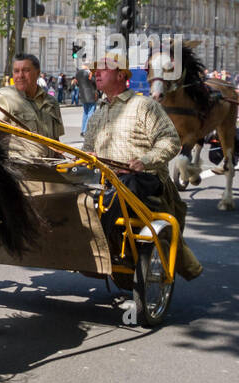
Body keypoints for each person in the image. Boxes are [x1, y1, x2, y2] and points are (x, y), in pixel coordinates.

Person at [83, 52, 204, 280]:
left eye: (103, 69)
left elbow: (171, 141)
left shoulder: (143, 105)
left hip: (143, 181)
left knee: (126, 182)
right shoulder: (98, 113)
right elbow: (88, 148)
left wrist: (144, 161)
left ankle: (96, 246)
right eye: (94, 71)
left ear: (121, 75)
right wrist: (85, 156)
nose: (95, 74)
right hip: (106, 181)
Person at [0, 54, 64, 158]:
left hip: (49, 168)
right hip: (17, 168)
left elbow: (56, 141)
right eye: (16, 71)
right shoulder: (4, 99)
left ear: (37, 73)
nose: (20, 75)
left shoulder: (51, 102)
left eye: (26, 70)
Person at [75, 62, 98, 136]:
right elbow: (95, 82)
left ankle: (82, 130)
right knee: (91, 113)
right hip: (91, 94)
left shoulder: (78, 74)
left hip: (83, 95)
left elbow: (77, 84)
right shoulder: (89, 74)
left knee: (85, 113)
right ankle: (86, 130)